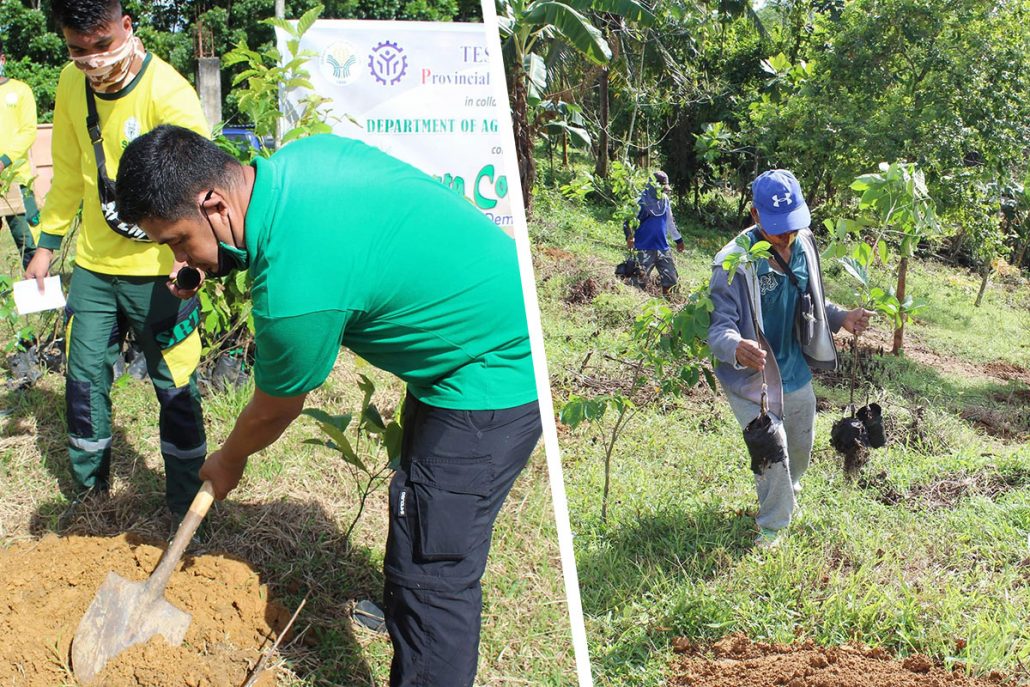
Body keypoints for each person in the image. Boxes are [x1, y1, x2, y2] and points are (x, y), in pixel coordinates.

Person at [115, 125, 542, 687]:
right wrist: (204, 256)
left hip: (494, 371)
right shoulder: (300, 162)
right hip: (475, 333)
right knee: (416, 500)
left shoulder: (295, 286)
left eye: (176, 240)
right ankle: (405, 607)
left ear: (213, 203)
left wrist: (229, 459)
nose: (176, 257)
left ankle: (423, 634)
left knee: (434, 572)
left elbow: (274, 407)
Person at [24, 0, 210, 522]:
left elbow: (200, 187)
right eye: (78, 50)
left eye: (103, 45)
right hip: (94, 271)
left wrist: (188, 257)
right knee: (83, 381)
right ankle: (89, 497)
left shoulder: (168, 91)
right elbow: (66, 173)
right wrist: (44, 245)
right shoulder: (68, 83)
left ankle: (184, 507)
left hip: (160, 277)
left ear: (127, 28)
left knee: (175, 387)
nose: (93, 60)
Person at [708, 169, 871, 548]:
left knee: (800, 443)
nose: (785, 237)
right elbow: (719, 327)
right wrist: (735, 345)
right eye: (777, 228)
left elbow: (811, 299)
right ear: (754, 215)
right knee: (771, 448)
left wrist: (840, 317)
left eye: (792, 226)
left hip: (793, 367)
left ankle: (789, 491)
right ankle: (772, 525)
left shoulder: (805, 245)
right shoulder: (733, 263)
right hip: (753, 376)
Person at [0, 37, 40, 270]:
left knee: (25, 237)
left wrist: (4, 161)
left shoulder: (21, 90)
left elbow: (28, 131)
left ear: (3, 59)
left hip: (16, 179)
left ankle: (40, 289)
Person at [624, 170, 684, 296]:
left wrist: (678, 240)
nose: (662, 191)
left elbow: (670, 222)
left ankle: (668, 304)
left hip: (662, 247)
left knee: (671, 280)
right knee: (636, 282)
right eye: (660, 187)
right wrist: (629, 237)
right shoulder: (639, 201)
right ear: (652, 185)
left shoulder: (665, 201)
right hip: (643, 247)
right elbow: (627, 221)